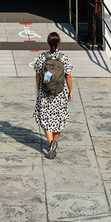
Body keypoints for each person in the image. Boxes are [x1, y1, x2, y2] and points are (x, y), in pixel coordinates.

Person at [33, 31, 73, 159]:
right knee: (59, 118)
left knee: (45, 119)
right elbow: (68, 76)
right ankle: (54, 141)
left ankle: (51, 143)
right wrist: (70, 91)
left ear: (48, 43)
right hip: (60, 94)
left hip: (45, 93)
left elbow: (38, 75)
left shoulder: (42, 57)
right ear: (59, 43)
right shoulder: (63, 58)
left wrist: (38, 88)